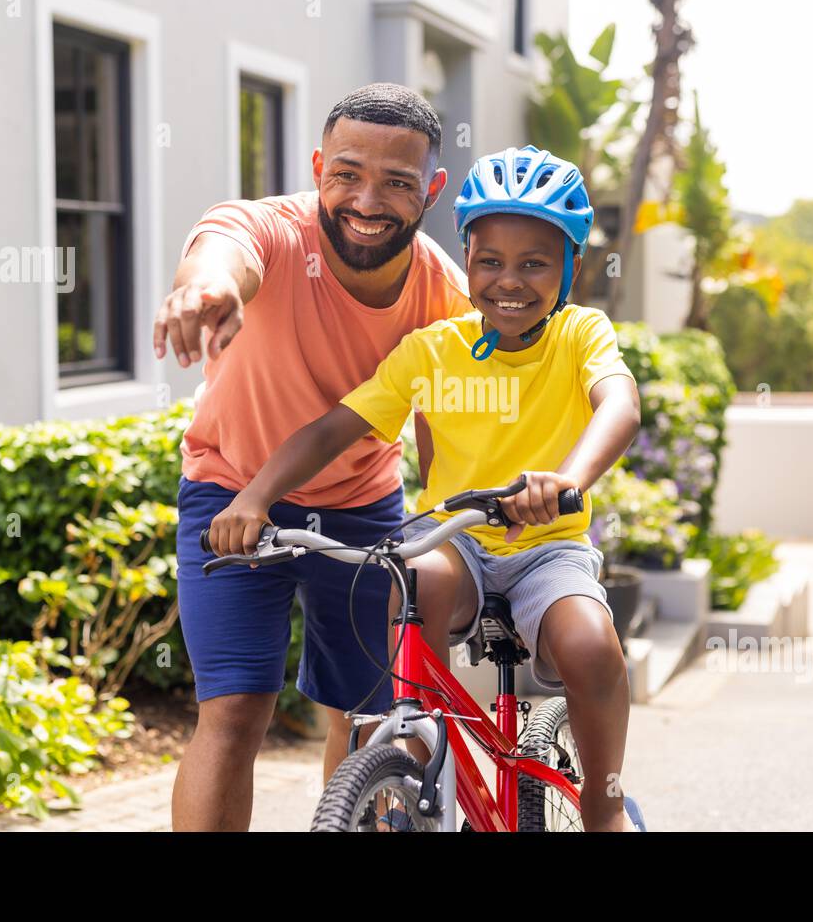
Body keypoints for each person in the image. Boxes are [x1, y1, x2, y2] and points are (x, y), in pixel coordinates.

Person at [206, 146, 645, 830]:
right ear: (465, 258)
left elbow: (619, 403)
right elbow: (330, 429)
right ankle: (414, 746)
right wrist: (253, 496)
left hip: (548, 546)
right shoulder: (432, 348)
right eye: (491, 260)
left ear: (571, 269)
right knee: (413, 573)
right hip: (456, 539)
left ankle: (603, 802)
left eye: (535, 263)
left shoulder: (578, 333)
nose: (510, 280)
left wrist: (568, 480)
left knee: (589, 646)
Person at [153, 83, 473, 831]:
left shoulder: (443, 294)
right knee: (232, 712)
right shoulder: (269, 229)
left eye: (397, 183)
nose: (368, 200)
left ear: (430, 190)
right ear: (317, 165)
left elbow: (444, 441)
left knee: (366, 722)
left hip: (364, 508)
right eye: (347, 174)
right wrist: (206, 290)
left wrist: (461, 538)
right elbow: (222, 255)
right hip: (230, 492)